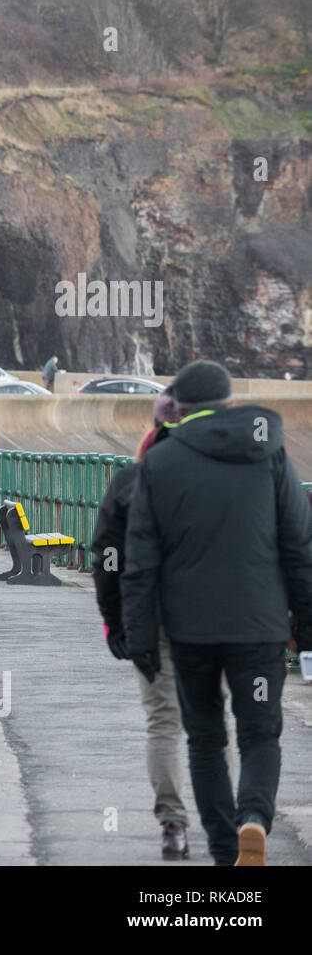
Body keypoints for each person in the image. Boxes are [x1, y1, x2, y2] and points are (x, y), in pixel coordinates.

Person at [121, 360, 312, 866]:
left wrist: (140, 637)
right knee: (258, 733)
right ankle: (254, 819)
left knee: (205, 739)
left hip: (191, 633)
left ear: (180, 409)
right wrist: (308, 628)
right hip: (259, 630)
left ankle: (227, 853)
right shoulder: (269, 453)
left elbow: (140, 562)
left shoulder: (160, 464)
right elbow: (299, 545)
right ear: (229, 402)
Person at [93, 388, 193, 859]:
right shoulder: (230, 478)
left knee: (163, 723)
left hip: (152, 621)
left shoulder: (130, 481)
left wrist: (114, 624)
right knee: (214, 725)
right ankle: (235, 820)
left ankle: (174, 825)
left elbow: (108, 558)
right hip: (223, 623)